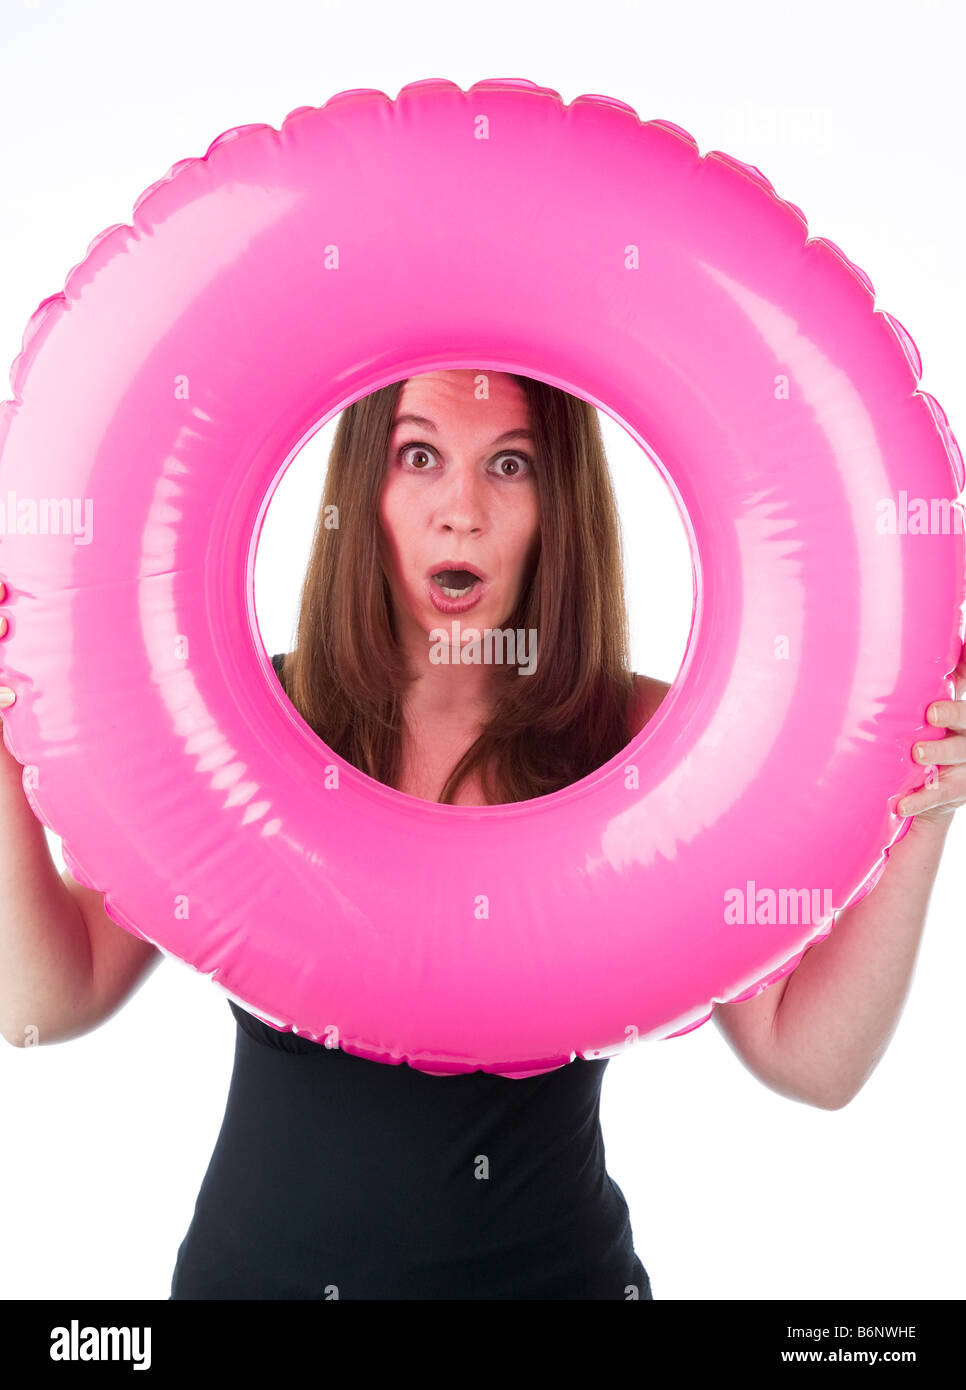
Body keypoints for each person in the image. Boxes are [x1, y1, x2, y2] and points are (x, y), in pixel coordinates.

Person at [1, 369, 963, 1300]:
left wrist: (927, 808)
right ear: (361, 488)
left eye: (511, 464)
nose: (461, 510)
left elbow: (812, 1061)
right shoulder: (254, 716)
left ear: (560, 502)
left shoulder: (645, 741)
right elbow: (49, 995)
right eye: (419, 456)